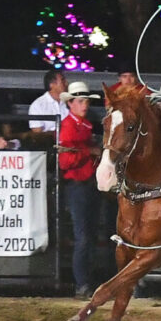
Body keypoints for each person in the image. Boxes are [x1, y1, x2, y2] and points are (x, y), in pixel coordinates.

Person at [56, 82, 102, 297]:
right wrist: (89, 151)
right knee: (84, 236)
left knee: (87, 236)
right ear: (71, 103)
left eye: (86, 101)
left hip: (85, 185)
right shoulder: (70, 126)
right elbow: (65, 162)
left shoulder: (81, 125)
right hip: (78, 185)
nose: (85, 105)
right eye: (81, 101)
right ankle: (82, 283)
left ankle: (85, 282)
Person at [28, 69, 69, 133]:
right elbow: (37, 134)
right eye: (62, 80)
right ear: (51, 85)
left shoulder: (70, 101)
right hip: (49, 142)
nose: (66, 83)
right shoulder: (37, 105)